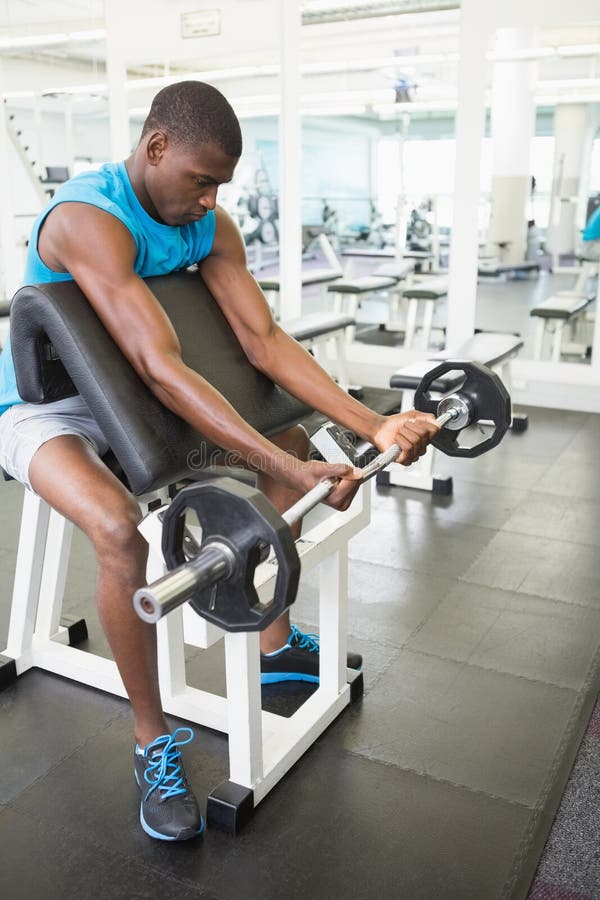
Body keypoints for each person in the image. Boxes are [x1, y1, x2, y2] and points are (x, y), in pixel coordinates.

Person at [0, 81, 439, 842]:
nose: (209, 201)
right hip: (49, 410)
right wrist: (290, 471)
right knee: (118, 528)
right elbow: (160, 364)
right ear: (155, 147)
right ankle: (152, 743)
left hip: (135, 403)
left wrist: (375, 423)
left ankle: (275, 647)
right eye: (201, 181)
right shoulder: (86, 220)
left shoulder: (207, 223)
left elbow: (264, 343)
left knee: (289, 446)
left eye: (220, 187)